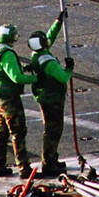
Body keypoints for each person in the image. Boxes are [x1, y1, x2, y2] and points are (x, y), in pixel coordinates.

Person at [26, 12, 74, 177]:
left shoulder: (37, 55)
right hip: (52, 98)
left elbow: (49, 38)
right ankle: (49, 162)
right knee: (53, 130)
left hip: (43, 96)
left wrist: (57, 22)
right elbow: (63, 77)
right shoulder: (49, 62)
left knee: (50, 128)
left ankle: (51, 159)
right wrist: (69, 68)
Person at [0, 22, 35, 178]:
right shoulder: (7, 53)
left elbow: (4, 70)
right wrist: (36, 78)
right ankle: (24, 168)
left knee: (1, 130)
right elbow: (16, 78)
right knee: (18, 131)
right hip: (8, 98)